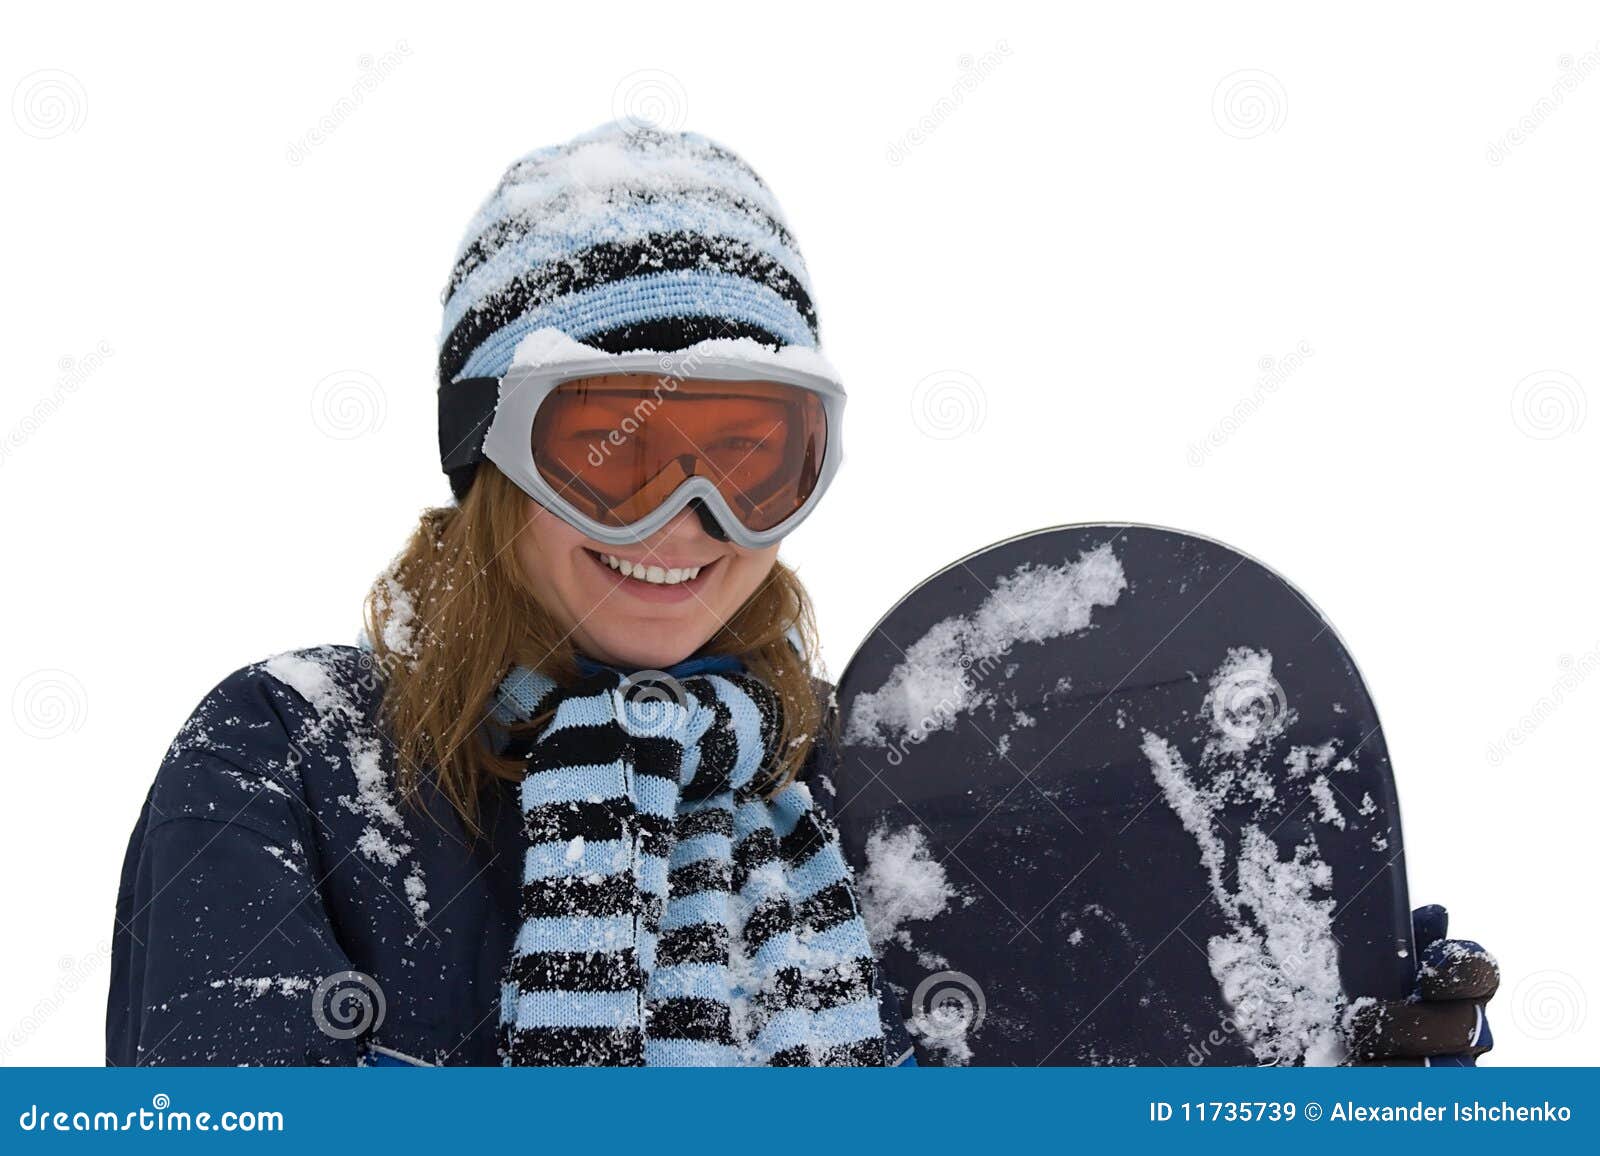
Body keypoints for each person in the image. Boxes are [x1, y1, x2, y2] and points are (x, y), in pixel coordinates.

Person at [106, 123, 1497, 1067]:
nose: (684, 523)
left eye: (746, 459)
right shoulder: (295, 761)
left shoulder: (875, 780)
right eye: (613, 452)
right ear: (492, 456)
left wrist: (1329, 1073)